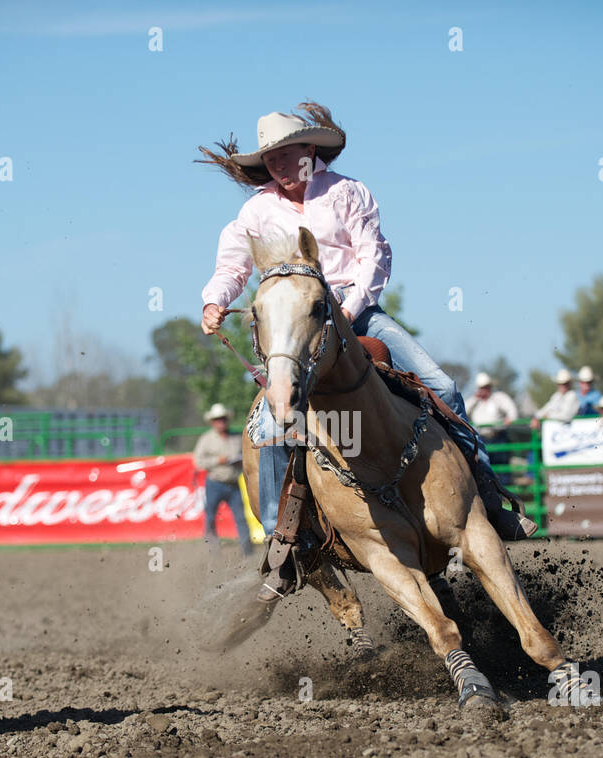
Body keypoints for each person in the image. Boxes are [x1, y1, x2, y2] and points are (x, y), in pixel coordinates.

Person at [197, 102, 532, 584]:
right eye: (269, 157)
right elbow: (232, 267)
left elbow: (373, 255)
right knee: (268, 424)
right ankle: (280, 536)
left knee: (443, 384)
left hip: (357, 315)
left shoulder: (348, 192)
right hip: (294, 327)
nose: (276, 163)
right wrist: (214, 301)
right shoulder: (255, 212)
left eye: (285, 153)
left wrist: (348, 312)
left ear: (310, 149)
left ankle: (488, 499)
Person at [192, 403, 254, 557]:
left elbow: (247, 455)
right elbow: (198, 461)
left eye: (223, 419)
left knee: (241, 518)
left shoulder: (236, 437)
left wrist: (240, 462)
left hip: (233, 483)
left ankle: (247, 552)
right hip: (214, 483)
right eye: (218, 419)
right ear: (213, 422)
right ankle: (212, 550)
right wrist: (217, 461)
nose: (221, 422)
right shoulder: (206, 439)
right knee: (211, 518)